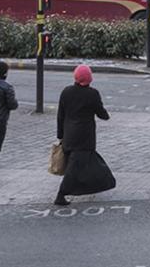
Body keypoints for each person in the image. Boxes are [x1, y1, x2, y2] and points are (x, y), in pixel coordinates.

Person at [55, 65, 115, 206]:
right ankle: (61, 194)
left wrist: (60, 134)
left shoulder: (66, 92)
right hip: (84, 137)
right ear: (89, 78)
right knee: (75, 168)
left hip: (69, 135)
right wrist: (107, 115)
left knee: (78, 164)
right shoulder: (92, 94)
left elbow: (60, 115)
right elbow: (101, 113)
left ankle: (86, 187)